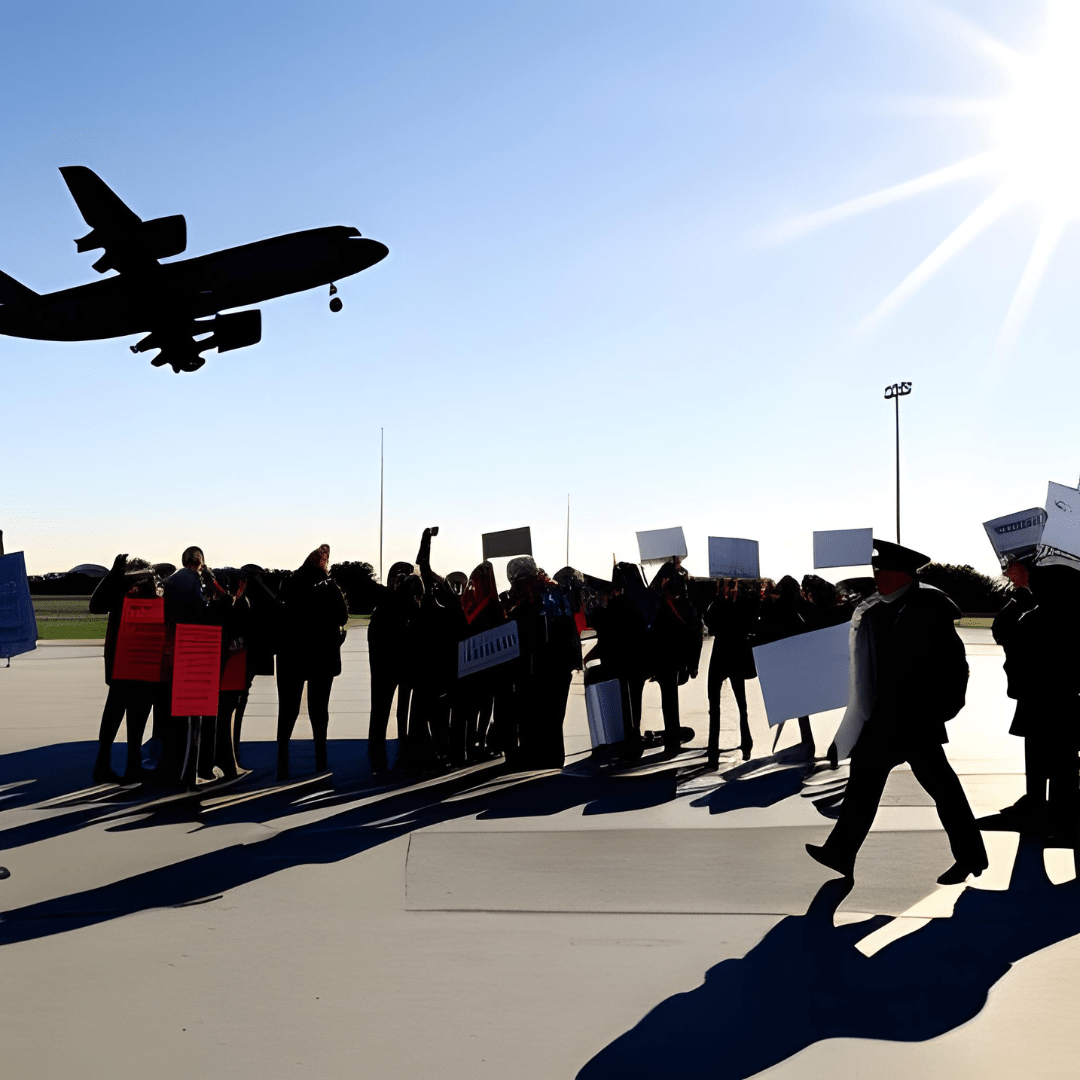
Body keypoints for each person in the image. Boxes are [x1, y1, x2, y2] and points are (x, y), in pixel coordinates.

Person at [807, 539, 987, 884]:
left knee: (944, 791)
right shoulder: (879, 608)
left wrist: (945, 710)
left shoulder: (930, 608)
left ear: (902, 574)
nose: (876, 575)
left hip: (918, 721)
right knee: (863, 784)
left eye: (882, 570)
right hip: (885, 720)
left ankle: (970, 858)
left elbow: (955, 666)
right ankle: (840, 852)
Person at [1001, 560, 1080, 845]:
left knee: (1039, 765)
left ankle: (1042, 812)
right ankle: (1062, 818)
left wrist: (1018, 598)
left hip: (1039, 705)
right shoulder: (1072, 619)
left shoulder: (1035, 620)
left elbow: (1004, 633)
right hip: (1066, 705)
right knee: (1064, 766)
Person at [275, 544, 349, 780]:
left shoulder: (289, 582)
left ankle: (282, 763)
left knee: (287, 711)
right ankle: (321, 761)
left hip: (291, 656)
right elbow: (343, 615)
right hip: (321, 657)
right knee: (319, 711)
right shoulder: (329, 586)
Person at [88, 554, 162, 783]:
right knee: (116, 716)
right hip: (124, 666)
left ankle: (131, 765)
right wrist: (113, 575)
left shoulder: (153, 595)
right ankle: (105, 764)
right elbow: (95, 606)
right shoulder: (120, 595)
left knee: (135, 717)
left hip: (141, 664)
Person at [591, 562, 651, 755]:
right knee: (636, 697)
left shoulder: (614, 605)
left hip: (618, 660)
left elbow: (605, 632)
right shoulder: (641, 602)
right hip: (638, 659)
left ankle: (625, 735)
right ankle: (635, 731)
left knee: (622, 701)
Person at [366, 560, 418, 774]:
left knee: (395, 710)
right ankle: (380, 753)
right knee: (382, 711)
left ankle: (400, 748)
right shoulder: (390, 608)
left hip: (398, 667)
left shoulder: (395, 607)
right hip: (387, 668)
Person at [647, 560, 703, 752]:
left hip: (664, 655)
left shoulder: (661, 601)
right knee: (671, 696)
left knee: (668, 696)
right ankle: (673, 732)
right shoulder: (684, 600)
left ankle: (672, 732)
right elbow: (695, 631)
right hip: (678, 655)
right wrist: (693, 663)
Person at [703, 577, 754, 767]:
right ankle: (743, 743)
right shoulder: (741, 603)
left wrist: (720, 601)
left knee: (719, 705)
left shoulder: (723, 604)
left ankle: (714, 751)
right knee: (739, 704)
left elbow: (710, 624)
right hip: (735, 656)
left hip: (723, 655)